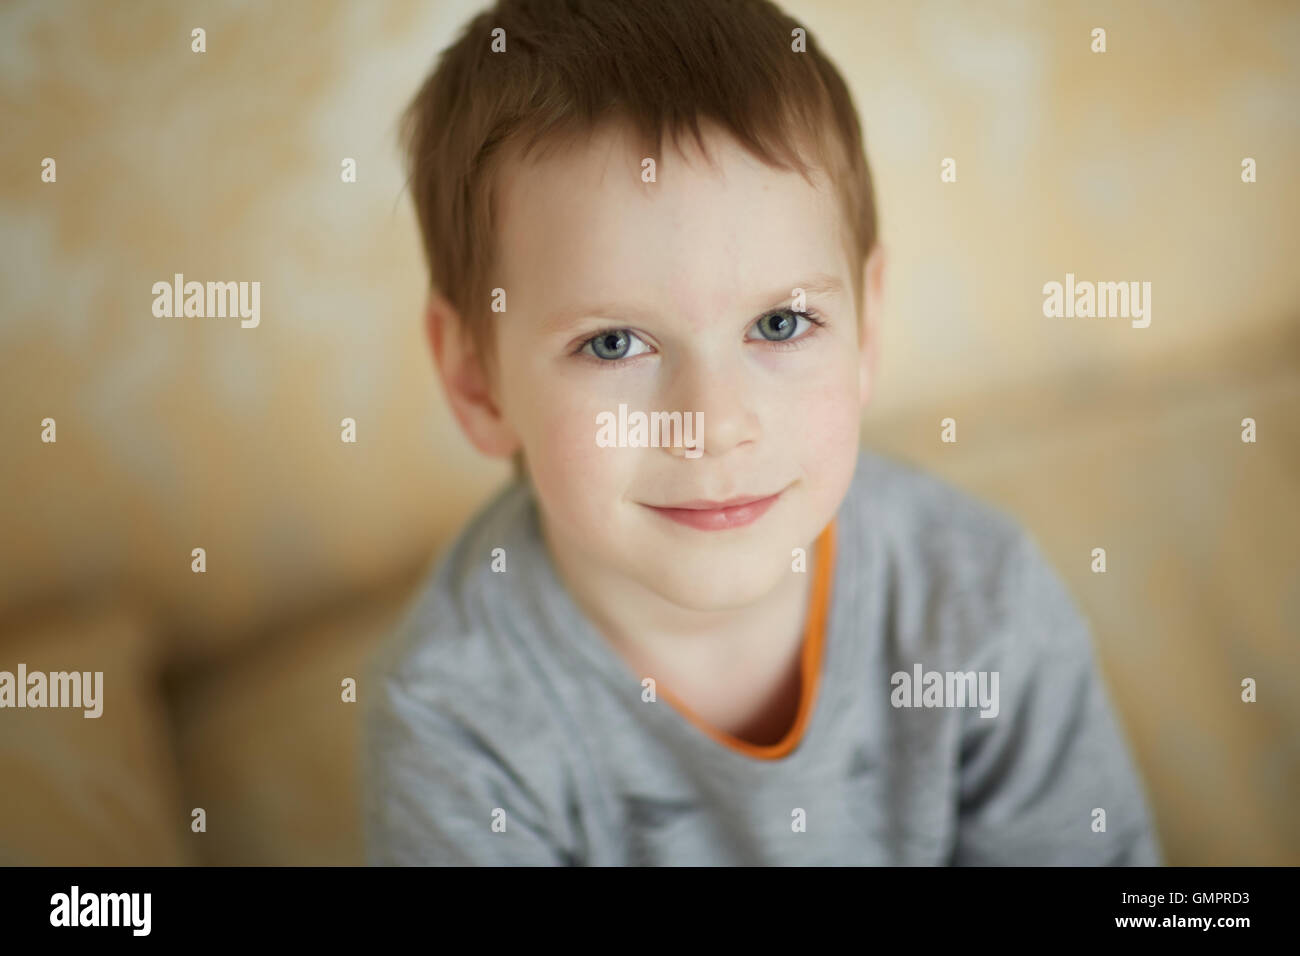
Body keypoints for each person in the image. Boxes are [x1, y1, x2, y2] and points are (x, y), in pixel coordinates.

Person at [361, 0, 1162, 866]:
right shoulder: (455, 723)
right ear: (475, 380)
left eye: (780, 324)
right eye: (613, 342)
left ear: (868, 326)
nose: (715, 425)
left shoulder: (980, 607)